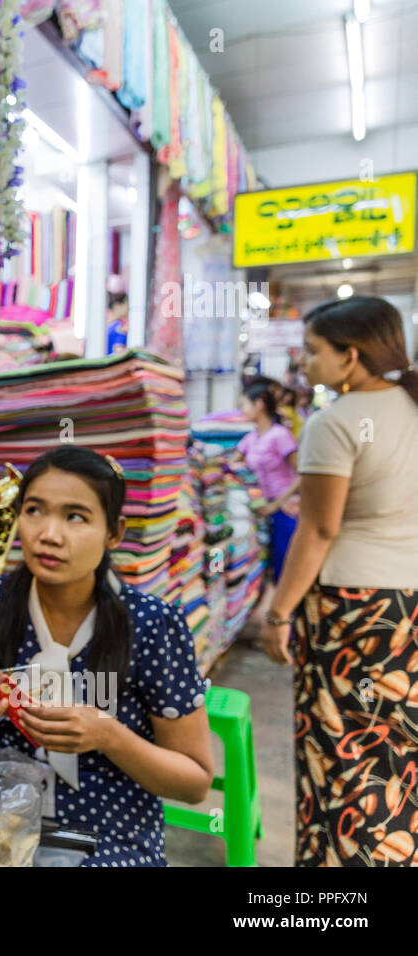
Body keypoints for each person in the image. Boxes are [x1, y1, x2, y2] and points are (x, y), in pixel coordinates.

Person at [0, 446, 214, 866]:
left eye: (75, 516)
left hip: (108, 833)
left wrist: (109, 735)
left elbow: (194, 782)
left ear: (114, 533)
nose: (49, 534)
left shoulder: (153, 625)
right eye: (34, 510)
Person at [259, 295, 418, 867]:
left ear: (351, 357)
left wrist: (278, 613)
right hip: (409, 605)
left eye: (312, 351)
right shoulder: (411, 405)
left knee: (342, 751)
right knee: (398, 747)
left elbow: (319, 529)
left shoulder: (337, 422)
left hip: (350, 609)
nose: (304, 363)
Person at [233, 381, 300, 582]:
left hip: (285, 509)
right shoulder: (250, 438)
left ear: (259, 405)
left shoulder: (280, 435)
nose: (241, 410)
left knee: (284, 564)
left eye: (244, 404)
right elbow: (228, 465)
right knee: (263, 563)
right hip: (261, 510)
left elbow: (303, 474)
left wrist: (276, 504)